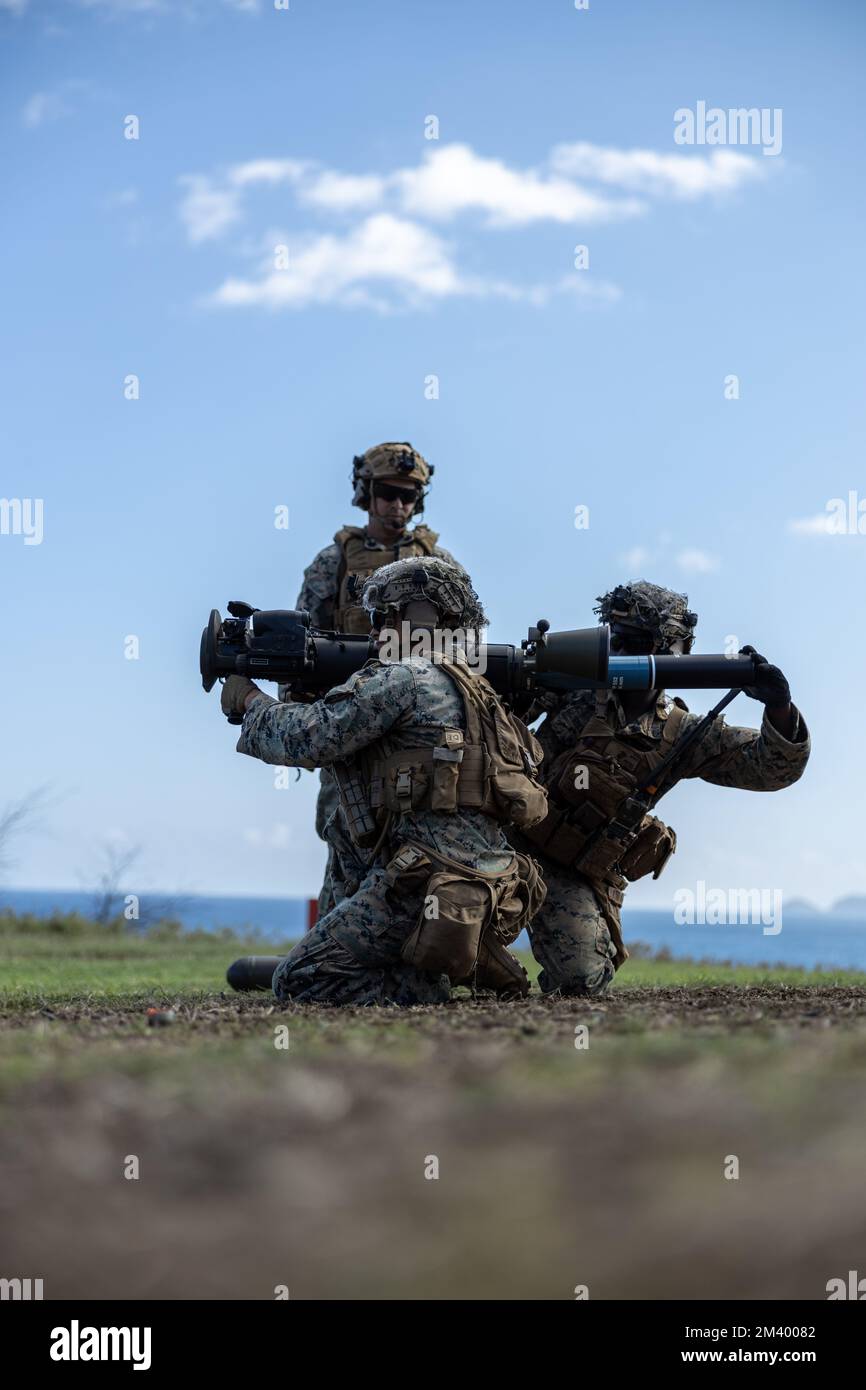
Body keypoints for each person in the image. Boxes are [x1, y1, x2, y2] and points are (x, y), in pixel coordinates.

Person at [221, 558, 547, 1006]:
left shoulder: (404, 678)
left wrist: (250, 700)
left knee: (299, 979)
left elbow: (308, 739)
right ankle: (450, 957)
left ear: (414, 619)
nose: (373, 631)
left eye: (381, 617)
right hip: (488, 882)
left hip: (421, 885)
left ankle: (429, 983)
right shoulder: (478, 687)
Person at [512, 580, 811, 998]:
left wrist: (779, 706)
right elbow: (488, 719)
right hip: (506, 840)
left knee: (581, 981)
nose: (626, 653)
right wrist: (524, 682)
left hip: (568, 868)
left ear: (679, 652)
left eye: (643, 644)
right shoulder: (572, 689)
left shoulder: (683, 733)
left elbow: (772, 768)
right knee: (438, 936)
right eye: (618, 641)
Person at [282, 441, 466, 917]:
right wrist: (300, 716)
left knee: (421, 834)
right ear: (366, 493)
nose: (398, 505)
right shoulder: (333, 562)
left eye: (408, 495)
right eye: (388, 493)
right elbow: (301, 645)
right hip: (350, 719)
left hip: (417, 724)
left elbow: (467, 647)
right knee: (345, 835)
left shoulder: (439, 564)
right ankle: (329, 958)